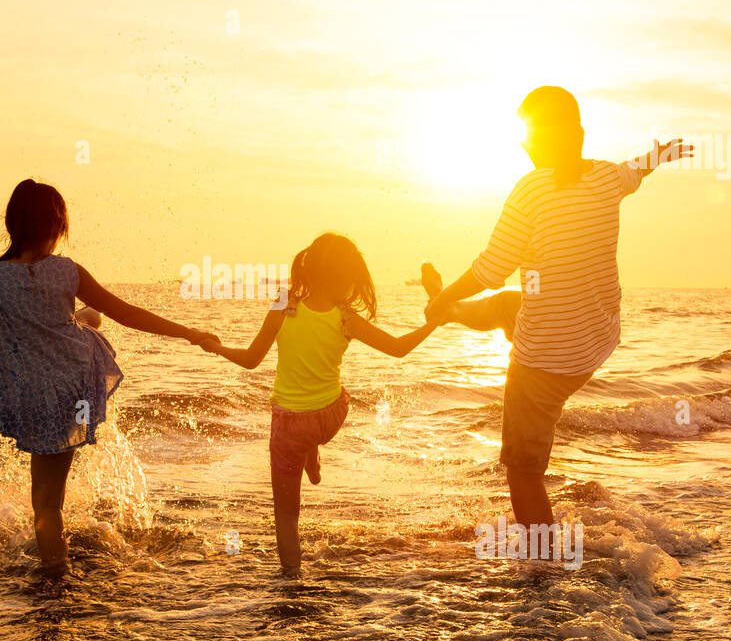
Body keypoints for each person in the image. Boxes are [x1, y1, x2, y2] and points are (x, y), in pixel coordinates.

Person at [0, 179, 217, 575]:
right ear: (57, 227)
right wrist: (190, 333)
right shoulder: (68, 271)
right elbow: (130, 313)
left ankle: (55, 574)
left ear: (12, 225)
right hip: (72, 389)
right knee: (51, 500)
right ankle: (57, 575)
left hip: (29, 394)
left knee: (46, 503)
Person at [424, 86, 692, 547]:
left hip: (543, 361)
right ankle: (452, 313)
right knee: (510, 305)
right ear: (581, 134)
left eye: (527, 137)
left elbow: (490, 268)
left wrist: (437, 295)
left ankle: (543, 572)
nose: (524, 146)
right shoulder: (607, 177)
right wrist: (663, 152)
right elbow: (637, 168)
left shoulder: (531, 191)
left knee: (522, 472)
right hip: (593, 342)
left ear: (534, 143)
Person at [199, 233, 439, 574]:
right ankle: (312, 447)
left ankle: (292, 585)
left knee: (286, 517)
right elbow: (399, 348)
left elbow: (252, 359)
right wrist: (436, 321)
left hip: (289, 426)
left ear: (309, 267)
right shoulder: (346, 318)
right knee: (339, 394)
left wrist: (217, 347)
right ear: (348, 277)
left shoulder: (285, 304)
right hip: (331, 416)